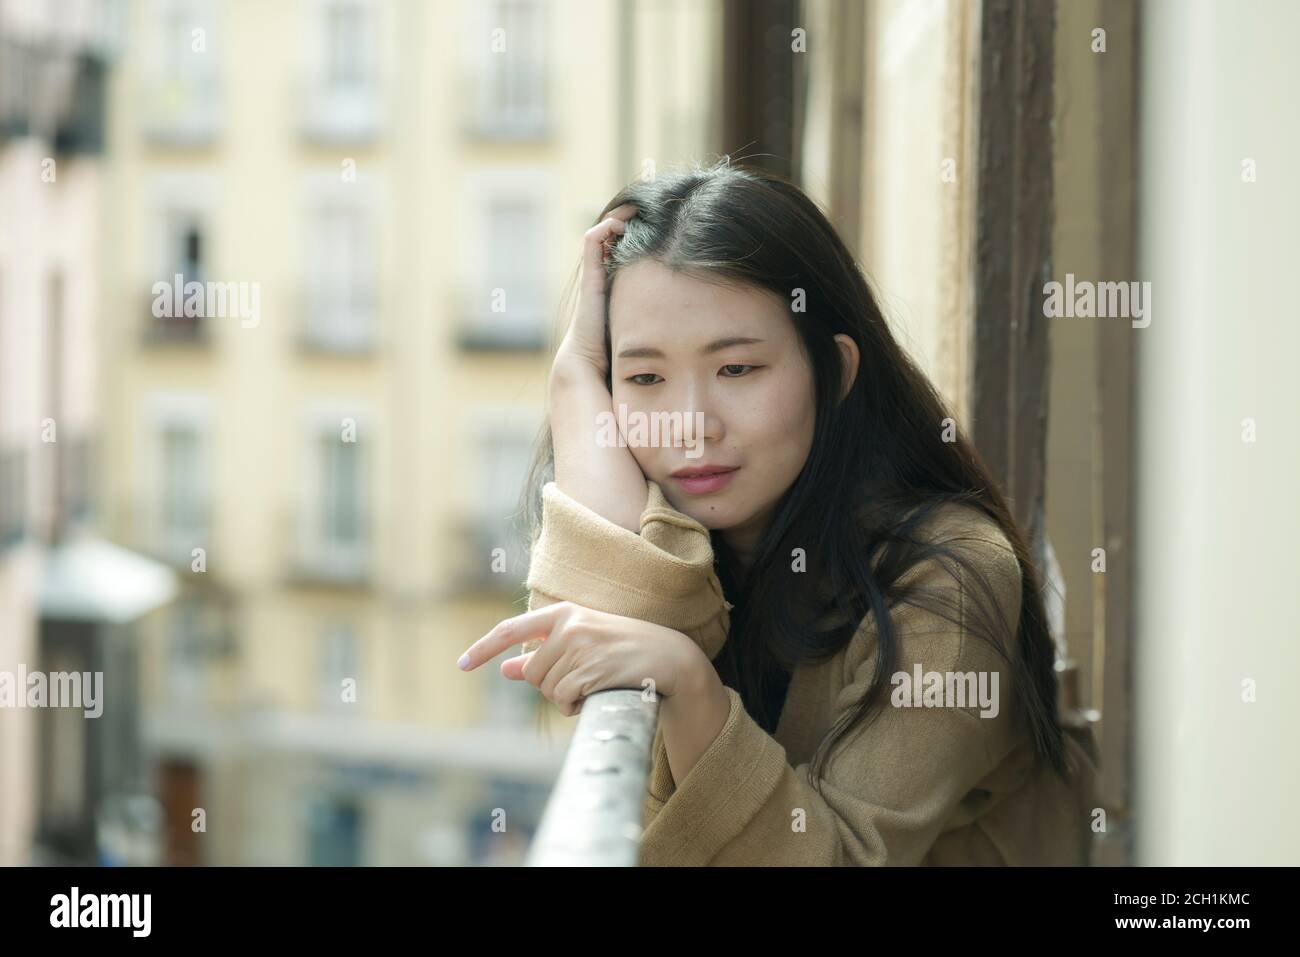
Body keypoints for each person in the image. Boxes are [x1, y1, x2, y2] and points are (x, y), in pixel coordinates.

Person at [458, 159, 1098, 866]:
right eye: (643, 377)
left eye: (737, 369)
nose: (690, 425)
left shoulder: (947, 576)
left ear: (836, 372)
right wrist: (575, 377)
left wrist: (690, 682)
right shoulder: (697, 532)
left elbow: (840, 858)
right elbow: (607, 613)